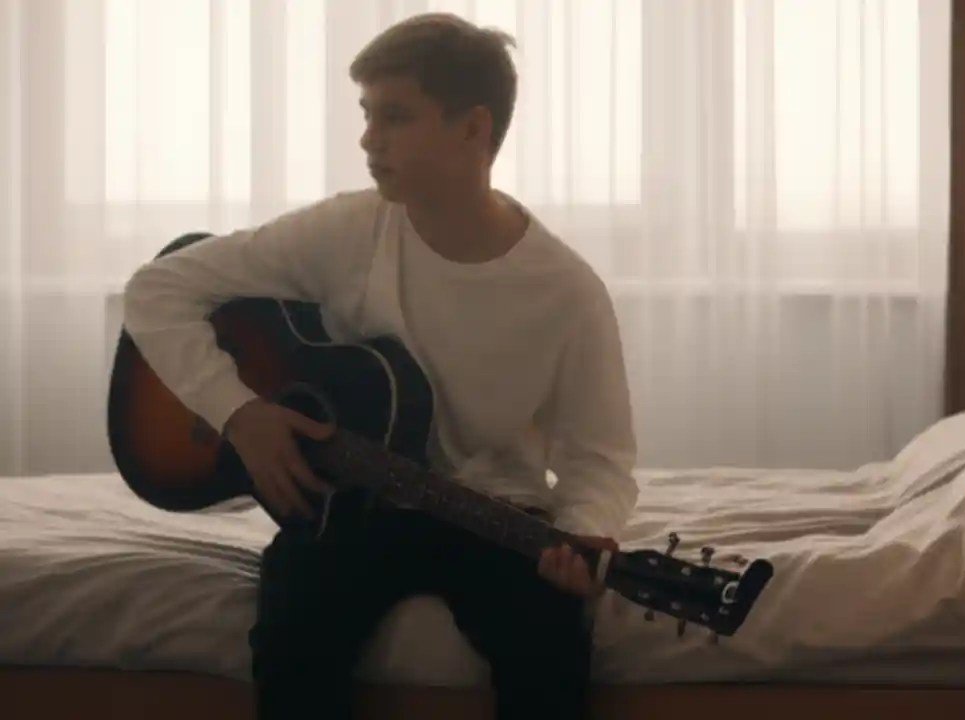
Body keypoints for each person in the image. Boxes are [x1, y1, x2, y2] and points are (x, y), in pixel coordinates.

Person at [121, 12, 638, 720]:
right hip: (350, 506)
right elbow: (158, 288)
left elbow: (600, 458)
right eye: (366, 115)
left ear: (473, 130)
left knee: (547, 645)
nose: (368, 140)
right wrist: (239, 415)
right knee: (292, 635)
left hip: (496, 517)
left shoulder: (567, 292)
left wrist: (584, 528)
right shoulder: (349, 229)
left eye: (394, 117)